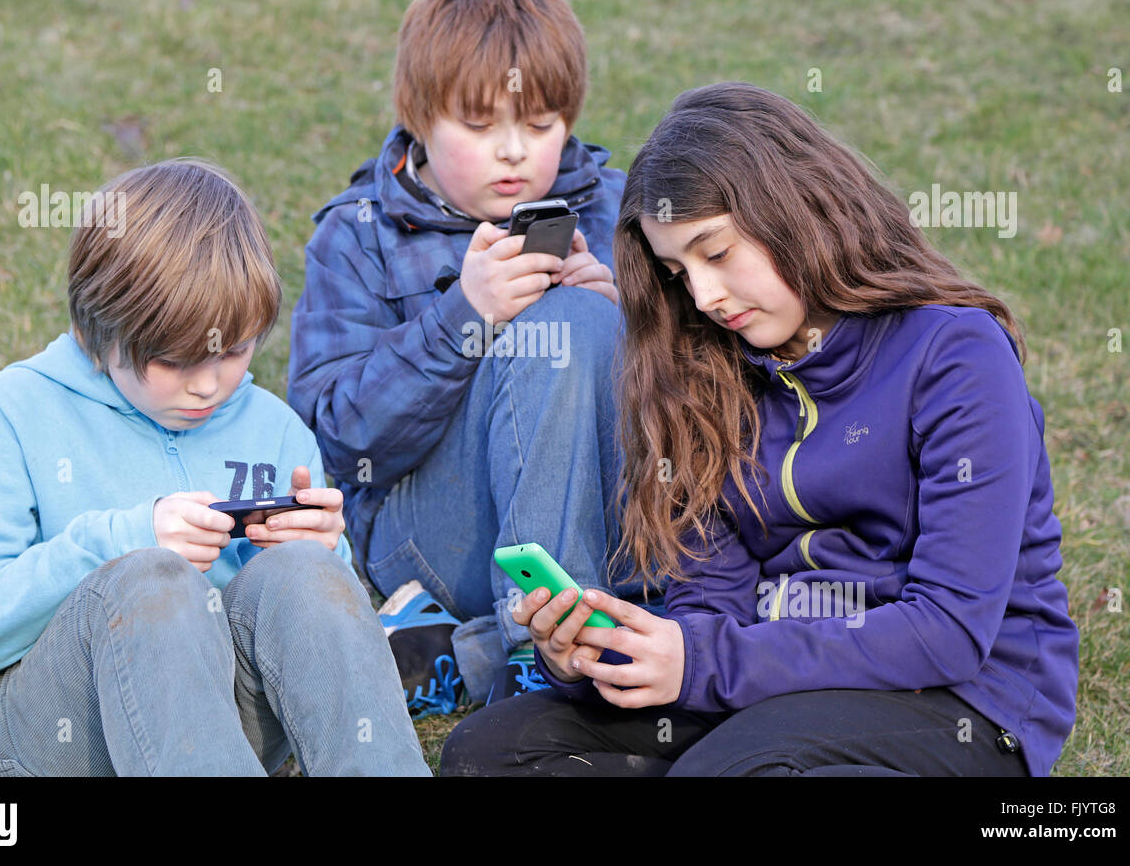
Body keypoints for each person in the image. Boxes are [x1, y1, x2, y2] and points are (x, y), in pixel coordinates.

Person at [440, 82, 1080, 776]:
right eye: (678, 273)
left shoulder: (955, 355)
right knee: (489, 751)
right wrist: (597, 656)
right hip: (767, 691)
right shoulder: (709, 373)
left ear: (796, 210)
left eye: (716, 253)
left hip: (961, 700)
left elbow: (950, 630)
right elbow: (709, 608)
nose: (706, 297)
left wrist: (704, 662)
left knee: (730, 768)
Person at [0, 158, 430, 776]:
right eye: (175, 360)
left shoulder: (274, 429)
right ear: (93, 330)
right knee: (150, 580)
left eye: (234, 351)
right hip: (53, 731)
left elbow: (322, 651)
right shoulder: (7, 413)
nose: (209, 385)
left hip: (222, 724)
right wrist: (120, 543)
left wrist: (322, 556)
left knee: (302, 572)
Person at [287, 0, 631, 709]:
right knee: (563, 332)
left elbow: (726, 384)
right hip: (433, 534)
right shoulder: (358, 235)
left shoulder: (619, 208)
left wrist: (629, 328)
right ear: (418, 117)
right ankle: (536, 647)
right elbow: (337, 445)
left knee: (578, 325)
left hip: (613, 518)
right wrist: (462, 323)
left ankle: (464, 649)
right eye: (479, 127)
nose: (514, 151)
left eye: (540, 126)